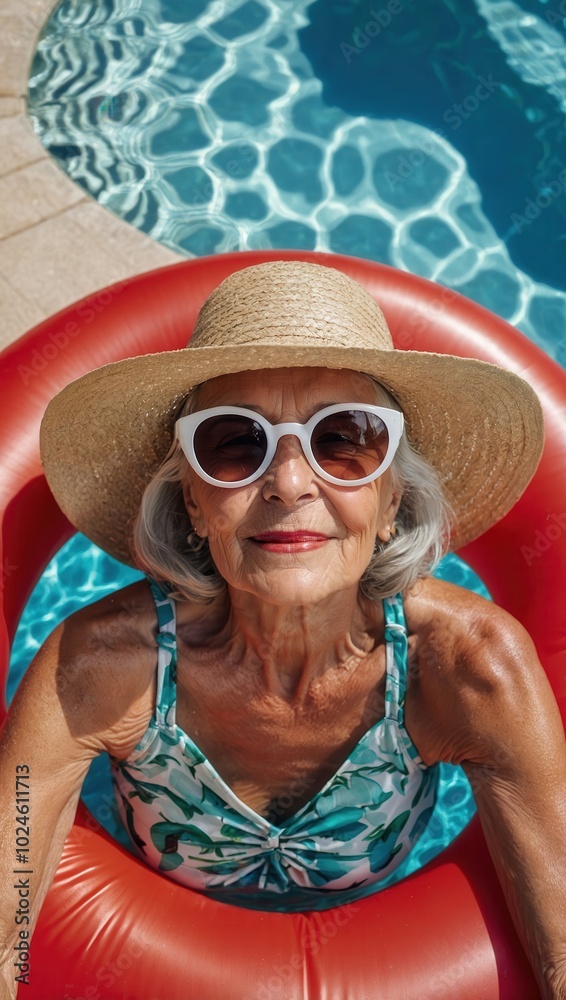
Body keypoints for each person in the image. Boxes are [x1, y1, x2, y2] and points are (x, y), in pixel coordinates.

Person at [0, 260, 565, 999]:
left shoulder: (469, 668)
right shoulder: (98, 667)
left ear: (394, 498)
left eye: (345, 439)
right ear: (194, 504)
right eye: (234, 442)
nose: (291, 483)